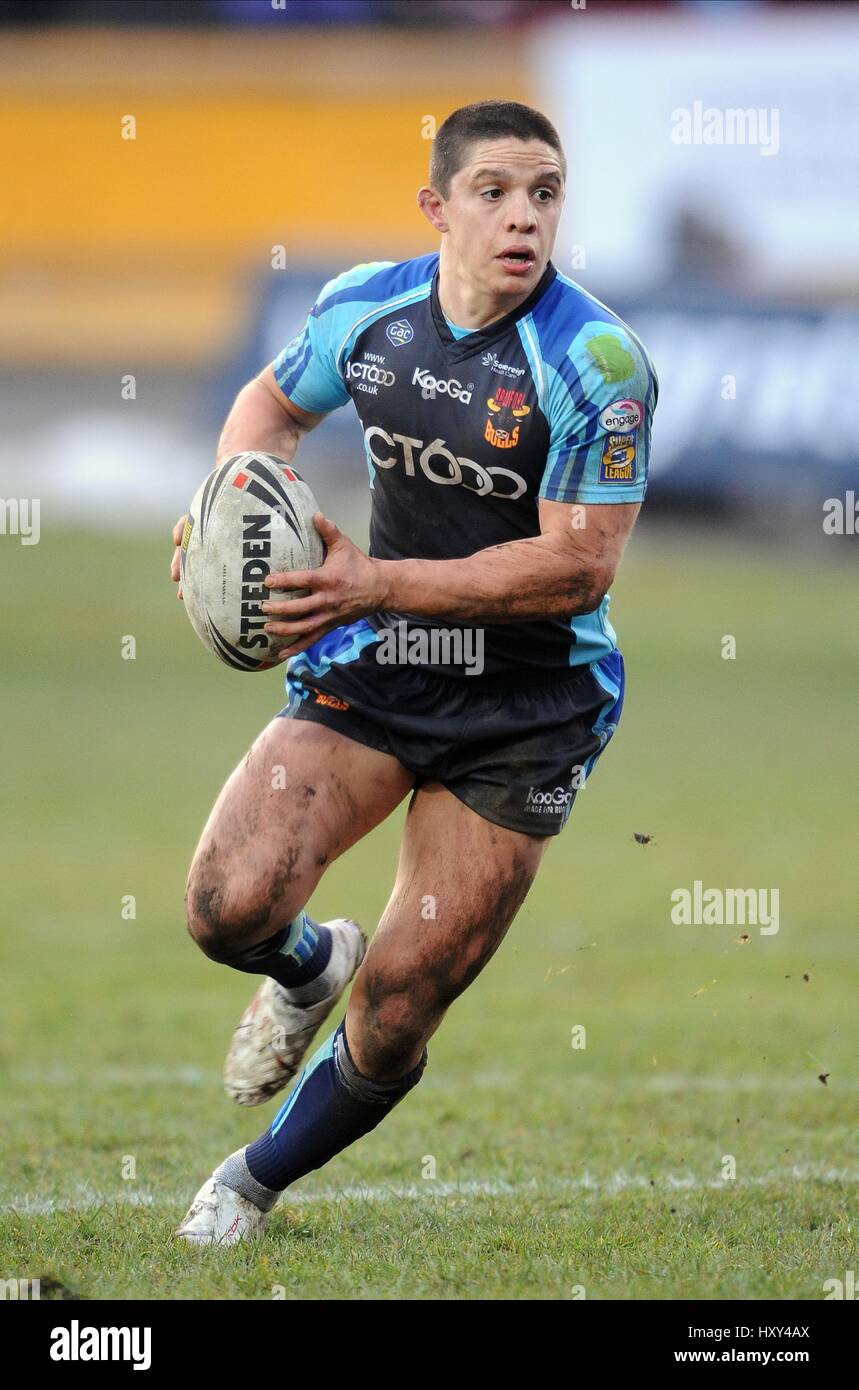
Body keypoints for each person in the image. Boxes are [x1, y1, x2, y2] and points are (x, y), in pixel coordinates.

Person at [172, 99, 658, 1244]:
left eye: (544, 193)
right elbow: (271, 406)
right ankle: (303, 966)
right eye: (493, 191)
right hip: (385, 664)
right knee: (221, 908)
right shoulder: (366, 310)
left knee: (396, 1010)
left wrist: (374, 584)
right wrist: (230, 508)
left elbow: (575, 568)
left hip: (528, 709)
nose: (523, 217)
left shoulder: (594, 362)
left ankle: (245, 1184)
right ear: (437, 208)